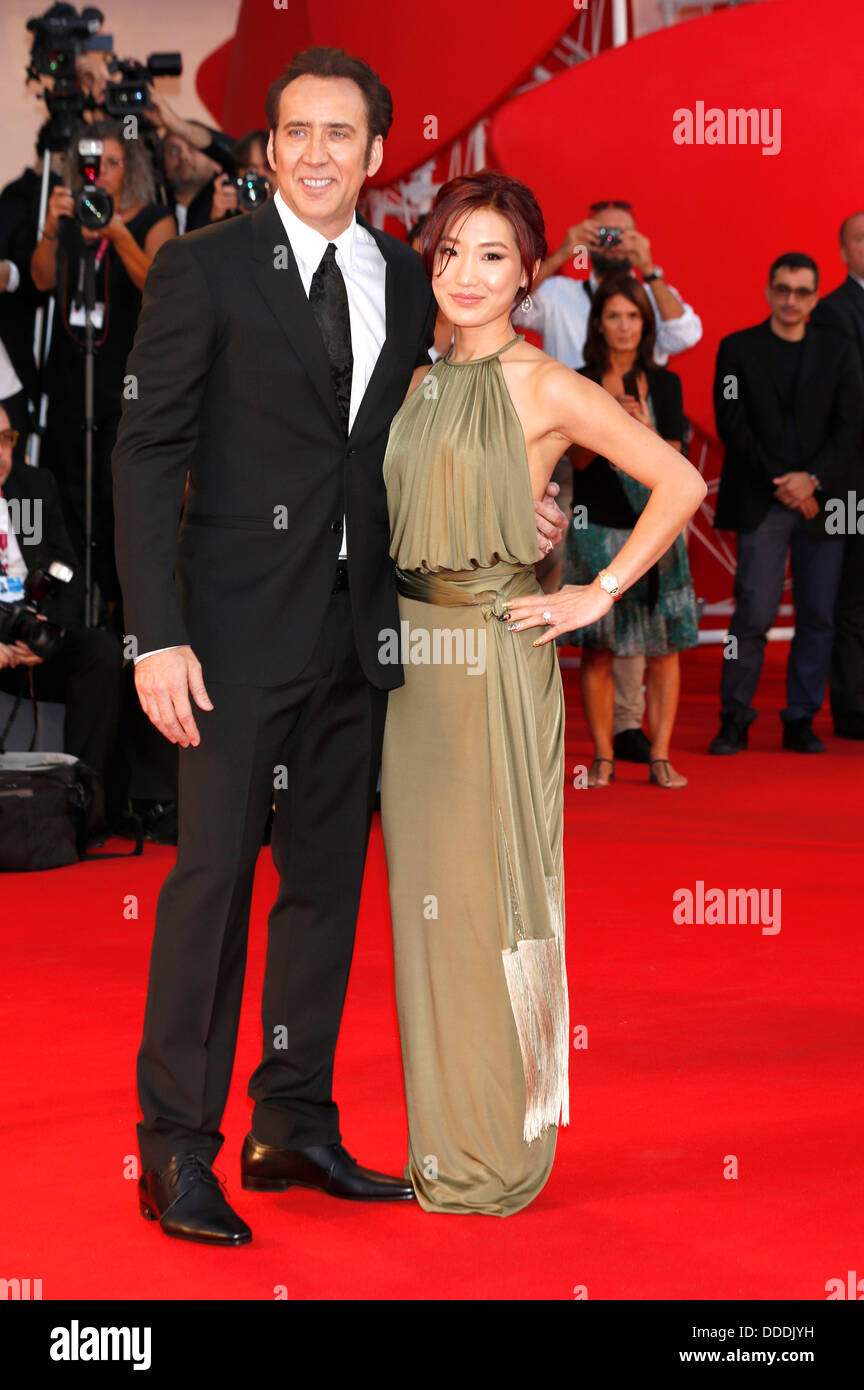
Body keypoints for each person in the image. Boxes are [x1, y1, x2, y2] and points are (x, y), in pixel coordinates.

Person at [112, 45, 570, 1247]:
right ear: (268, 150)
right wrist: (155, 636)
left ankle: (291, 1120)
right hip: (223, 643)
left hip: (362, 641)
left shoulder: (407, 285)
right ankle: (173, 1151)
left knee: (324, 892)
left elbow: (420, 444)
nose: (316, 154)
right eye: (295, 134)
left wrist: (518, 506)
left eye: (341, 136)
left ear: (377, 155)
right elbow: (146, 456)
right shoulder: (202, 270)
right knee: (210, 892)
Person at [380, 171, 706, 1215]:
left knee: (492, 899)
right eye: (447, 253)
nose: (465, 276)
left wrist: (593, 594)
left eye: (490, 257)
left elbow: (683, 482)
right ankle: (444, 1132)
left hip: (492, 655)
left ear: (530, 273)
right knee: (424, 910)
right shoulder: (417, 378)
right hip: (409, 668)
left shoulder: (547, 383)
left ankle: (501, 1145)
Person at [516, 199, 703, 770]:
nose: (610, 240)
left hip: (650, 494)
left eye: (621, 232)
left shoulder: (650, 299)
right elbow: (517, 301)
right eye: (601, 232)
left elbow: (687, 331)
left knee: (648, 623)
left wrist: (649, 268)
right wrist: (561, 249)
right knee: (563, 585)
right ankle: (561, 728)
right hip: (569, 470)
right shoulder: (564, 294)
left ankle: (630, 728)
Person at [710, 253, 864, 755]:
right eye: (782, 289)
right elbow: (731, 424)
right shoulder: (736, 349)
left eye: (801, 292)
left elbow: (851, 424)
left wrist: (813, 480)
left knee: (818, 615)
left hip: (825, 504)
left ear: (816, 297)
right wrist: (786, 482)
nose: (791, 300)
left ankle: (801, 717)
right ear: (768, 291)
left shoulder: (840, 351)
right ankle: (734, 716)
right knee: (752, 614)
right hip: (764, 499)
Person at [30, 119, 176, 621]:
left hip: (127, 383)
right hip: (71, 380)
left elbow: (159, 282)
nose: (103, 172)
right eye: (95, 163)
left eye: (114, 162)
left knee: (120, 498)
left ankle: (122, 617)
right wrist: (53, 224)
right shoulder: (69, 217)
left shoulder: (152, 216)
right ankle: (71, 606)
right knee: (66, 491)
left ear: (129, 167)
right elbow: (41, 278)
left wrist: (116, 233)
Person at [559, 274, 698, 789]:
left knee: (664, 648)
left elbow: (678, 461)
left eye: (633, 316)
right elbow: (577, 457)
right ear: (599, 322)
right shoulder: (580, 381)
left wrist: (644, 430)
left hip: (657, 531)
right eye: (614, 315)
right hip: (596, 528)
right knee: (598, 647)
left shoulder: (665, 383)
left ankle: (660, 755)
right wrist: (609, 419)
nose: (624, 326)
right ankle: (602, 756)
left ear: (645, 323)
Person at [0, 404, 123, 785]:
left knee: (102, 652)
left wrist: (48, 629)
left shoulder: (29, 489)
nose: (2, 454)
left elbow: (66, 571)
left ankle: (81, 801)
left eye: (6, 440)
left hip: (36, 634)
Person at [811, 211, 864, 739]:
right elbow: (849, 402)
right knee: (852, 599)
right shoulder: (831, 312)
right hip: (853, 481)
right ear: (843, 250)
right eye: (860, 238)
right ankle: (852, 707)